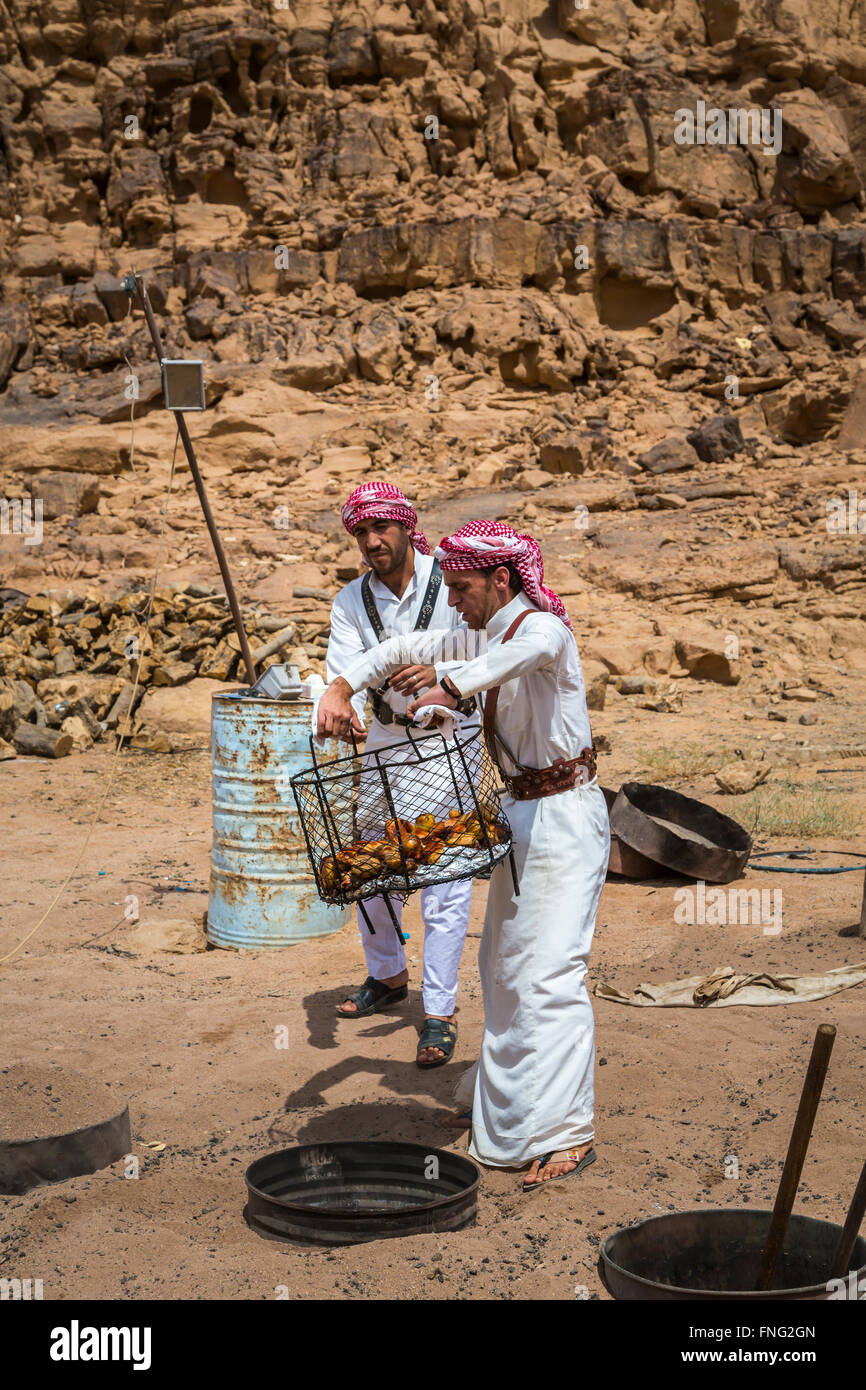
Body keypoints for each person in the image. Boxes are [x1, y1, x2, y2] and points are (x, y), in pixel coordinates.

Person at [317, 519, 610, 1192]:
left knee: (551, 975)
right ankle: (511, 1112)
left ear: (501, 580)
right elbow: (403, 645)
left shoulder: (541, 630)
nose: (452, 601)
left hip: (566, 815)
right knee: (503, 966)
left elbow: (503, 664)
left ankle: (568, 1133)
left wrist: (449, 686)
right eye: (446, 586)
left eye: (461, 587)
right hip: (520, 812)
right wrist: (342, 685)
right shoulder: (479, 630)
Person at [317, 481, 479, 1068]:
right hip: (385, 739)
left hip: (446, 741)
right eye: (360, 532)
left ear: (408, 526)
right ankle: (387, 976)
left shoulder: (453, 579)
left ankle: (439, 1011)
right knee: (368, 863)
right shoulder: (350, 601)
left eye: (380, 528)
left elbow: (488, 640)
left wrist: (440, 670)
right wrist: (348, 712)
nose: (370, 541)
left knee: (442, 872)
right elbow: (343, 670)